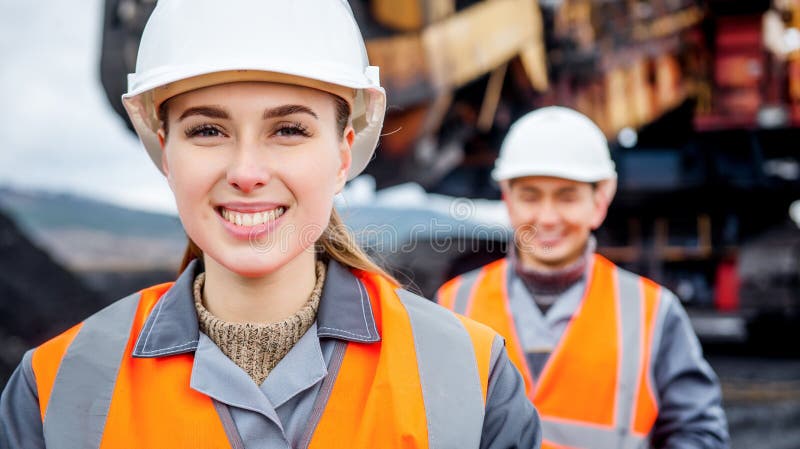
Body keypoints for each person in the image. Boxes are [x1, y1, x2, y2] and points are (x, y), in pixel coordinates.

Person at [0, 1, 541, 448]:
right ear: (166, 152)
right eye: (208, 130)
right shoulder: (54, 390)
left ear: (343, 153)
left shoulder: (473, 380)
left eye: (288, 130)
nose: (246, 172)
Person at [437, 107, 729, 449]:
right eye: (530, 195)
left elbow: (698, 434)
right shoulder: (453, 305)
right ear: (507, 199)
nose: (547, 217)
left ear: (600, 201)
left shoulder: (653, 314)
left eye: (567, 196)